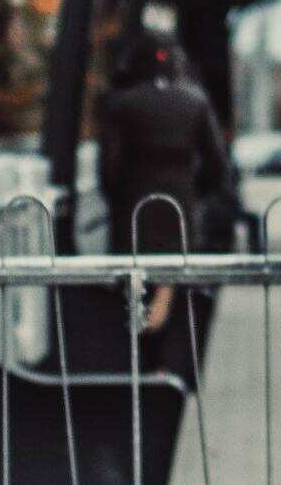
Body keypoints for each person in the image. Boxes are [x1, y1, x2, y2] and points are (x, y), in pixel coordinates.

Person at [98, 38, 238, 327]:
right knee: (173, 275)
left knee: (135, 275)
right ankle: (165, 349)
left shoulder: (121, 104)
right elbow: (218, 164)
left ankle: (140, 347)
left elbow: (109, 168)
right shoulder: (196, 101)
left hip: (133, 206)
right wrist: (196, 194)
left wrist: (119, 198)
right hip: (180, 203)